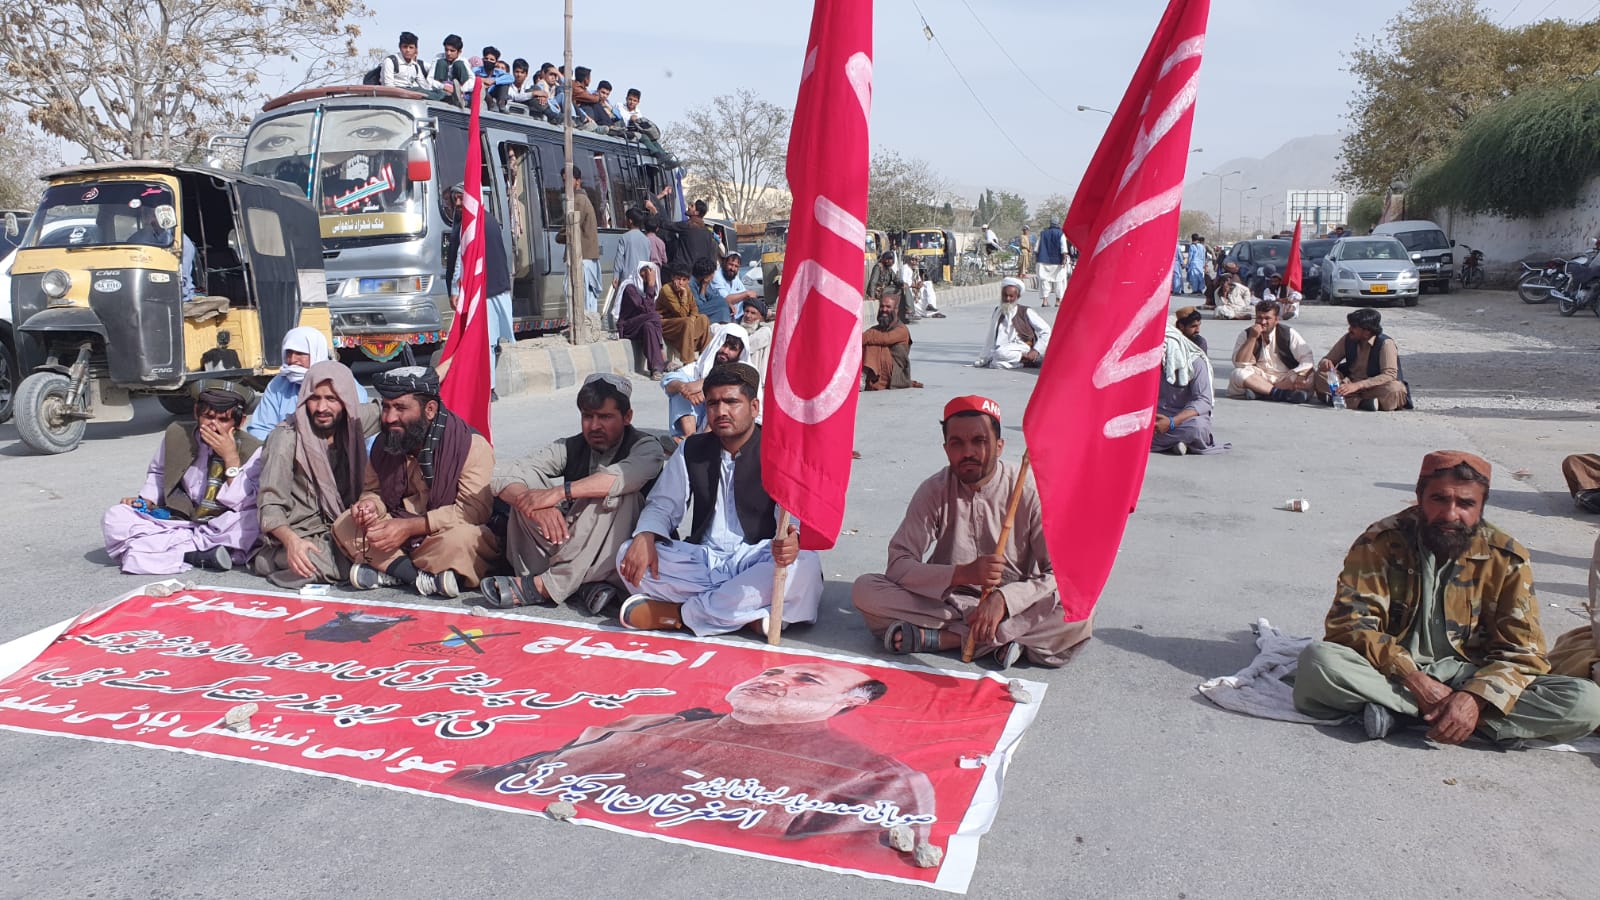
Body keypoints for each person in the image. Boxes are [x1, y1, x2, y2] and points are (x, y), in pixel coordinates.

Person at [1293, 451, 1600, 743]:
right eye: (1439, 499)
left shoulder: (1507, 558)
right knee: (1319, 662)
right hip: (1392, 673)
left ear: (1481, 506)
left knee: (1587, 704)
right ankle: (1470, 725)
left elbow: (1524, 653)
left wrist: (1475, 698)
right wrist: (1412, 678)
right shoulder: (1381, 542)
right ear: (1419, 498)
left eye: (1465, 503)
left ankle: (1401, 715)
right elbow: (1349, 625)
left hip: (1473, 675)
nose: (1450, 514)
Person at [450, 662, 935, 842]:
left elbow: (840, 861)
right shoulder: (654, 722)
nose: (774, 680)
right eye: (772, 673)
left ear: (851, 700)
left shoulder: (872, 777)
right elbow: (517, 772)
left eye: (806, 679)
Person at [852, 395, 1092, 668]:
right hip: (948, 602)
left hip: (1015, 606)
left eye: (979, 442)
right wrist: (963, 573)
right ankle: (1001, 643)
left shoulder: (1027, 490)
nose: (968, 452)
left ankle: (944, 639)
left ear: (999, 446)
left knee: (1080, 610)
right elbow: (898, 565)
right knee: (865, 589)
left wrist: (1005, 600)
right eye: (957, 444)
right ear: (946, 449)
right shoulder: (934, 490)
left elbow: (1060, 573)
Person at [616, 363, 825, 636]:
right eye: (713, 403)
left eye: (731, 402)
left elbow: (789, 515)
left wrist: (791, 538)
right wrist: (646, 535)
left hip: (756, 557)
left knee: (804, 565)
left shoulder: (779, 450)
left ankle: (679, 614)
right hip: (703, 561)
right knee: (627, 555)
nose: (721, 411)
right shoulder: (692, 448)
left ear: (754, 407)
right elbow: (664, 504)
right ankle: (746, 612)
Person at [486, 374, 668, 615]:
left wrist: (558, 493)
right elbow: (502, 474)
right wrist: (535, 504)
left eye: (605, 417)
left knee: (618, 495)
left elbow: (623, 477)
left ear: (627, 417)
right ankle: (582, 584)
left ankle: (546, 586)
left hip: (620, 549)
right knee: (526, 490)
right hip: (574, 543)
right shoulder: (571, 446)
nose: (594, 426)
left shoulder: (646, 446)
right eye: (587, 416)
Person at [332, 367, 499, 597]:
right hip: (396, 530)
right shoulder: (387, 442)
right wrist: (370, 507)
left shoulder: (471, 446)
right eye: (387, 407)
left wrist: (411, 527)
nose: (389, 418)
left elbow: (472, 512)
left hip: (440, 534)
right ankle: (418, 577)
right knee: (346, 523)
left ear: (429, 410)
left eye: (400, 408)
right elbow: (373, 491)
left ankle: (390, 569)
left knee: (464, 540)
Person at [102, 380, 264, 574]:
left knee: (253, 521)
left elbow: (244, 503)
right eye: (208, 417)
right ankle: (196, 554)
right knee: (115, 516)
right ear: (196, 412)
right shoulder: (177, 434)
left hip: (220, 524)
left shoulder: (253, 449)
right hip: (179, 520)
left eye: (223, 420)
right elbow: (159, 473)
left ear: (240, 422)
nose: (213, 426)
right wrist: (146, 500)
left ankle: (169, 551)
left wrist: (230, 458)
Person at [250, 361, 378, 588]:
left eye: (331, 399)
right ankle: (377, 571)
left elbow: (398, 408)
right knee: (319, 558)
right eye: (314, 398)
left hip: (345, 528)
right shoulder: (285, 439)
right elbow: (270, 504)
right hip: (302, 536)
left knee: (392, 536)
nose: (321, 408)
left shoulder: (353, 422)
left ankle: (368, 566)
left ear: (346, 401)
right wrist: (291, 542)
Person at [444, 182, 513, 393]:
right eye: (454, 198)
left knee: (485, 341)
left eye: (460, 198)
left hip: (483, 291)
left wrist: (455, 291)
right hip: (494, 288)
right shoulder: (487, 219)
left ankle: (488, 388)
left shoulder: (470, 223)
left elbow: (460, 260)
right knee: (488, 339)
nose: (457, 203)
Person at [247, 326, 371, 439]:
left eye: (300, 354)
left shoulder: (344, 382)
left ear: (316, 352)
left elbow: (361, 430)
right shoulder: (279, 384)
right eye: (289, 353)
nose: (293, 359)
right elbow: (260, 429)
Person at [661, 323, 749, 438]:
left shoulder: (745, 372)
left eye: (732, 349)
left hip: (726, 429)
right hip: (698, 425)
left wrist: (703, 384)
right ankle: (690, 439)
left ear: (739, 353)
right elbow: (668, 382)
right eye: (723, 345)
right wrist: (684, 388)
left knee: (721, 398)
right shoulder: (701, 367)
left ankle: (699, 445)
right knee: (680, 387)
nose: (725, 351)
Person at [1314, 307, 1410, 411]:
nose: (1349, 329)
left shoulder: (1385, 344)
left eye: (1354, 327)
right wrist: (1326, 363)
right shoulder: (1348, 338)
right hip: (1348, 385)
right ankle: (1364, 403)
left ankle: (1347, 401)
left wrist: (1358, 385)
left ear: (1367, 331)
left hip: (1373, 387)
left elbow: (1389, 374)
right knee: (1321, 374)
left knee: (1395, 389)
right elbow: (1328, 359)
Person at [1153, 320, 1224, 455]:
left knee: (1197, 428)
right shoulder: (1150, 361)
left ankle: (1170, 442)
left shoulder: (1196, 362)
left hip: (1184, 420)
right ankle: (1177, 443)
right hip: (1156, 417)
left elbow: (1203, 400)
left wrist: (1172, 422)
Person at [1226, 300, 1315, 402]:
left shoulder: (1288, 333)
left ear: (1276, 320)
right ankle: (1278, 393)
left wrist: (1300, 375)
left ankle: (1261, 392)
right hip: (1259, 377)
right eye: (1259, 318)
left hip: (1285, 378)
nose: (1263, 322)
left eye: (1267, 318)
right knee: (1237, 374)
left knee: (1310, 376)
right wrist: (1252, 338)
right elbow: (1240, 364)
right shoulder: (1246, 334)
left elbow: (1307, 358)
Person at [975, 277, 1050, 369]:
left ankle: (1026, 357)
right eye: (1005, 295)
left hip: (1023, 346)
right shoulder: (998, 312)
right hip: (1004, 348)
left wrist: (1036, 350)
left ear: (1017, 297)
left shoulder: (1025, 311)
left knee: (999, 353)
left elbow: (1046, 330)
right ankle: (1024, 363)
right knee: (995, 363)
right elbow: (990, 337)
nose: (1007, 299)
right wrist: (985, 355)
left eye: (1011, 296)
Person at [554, 167, 601, 313]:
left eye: (568, 180)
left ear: (578, 181)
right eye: (564, 181)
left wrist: (559, 236)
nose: (565, 184)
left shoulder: (579, 201)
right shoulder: (581, 199)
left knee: (579, 301)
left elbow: (570, 229)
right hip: (584, 258)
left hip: (582, 257)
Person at [862, 291, 921, 391]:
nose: (884, 310)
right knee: (870, 341)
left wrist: (861, 338)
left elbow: (884, 339)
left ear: (896, 310)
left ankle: (863, 376)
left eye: (888, 307)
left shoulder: (902, 330)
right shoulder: (876, 329)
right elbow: (865, 338)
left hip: (895, 374)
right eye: (882, 306)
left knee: (874, 344)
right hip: (879, 371)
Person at [617, 260, 666, 379]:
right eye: (644, 272)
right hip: (627, 326)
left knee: (649, 326)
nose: (647, 275)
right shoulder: (630, 287)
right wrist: (650, 286)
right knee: (654, 316)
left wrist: (649, 287)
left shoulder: (646, 286)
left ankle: (656, 369)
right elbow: (646, 309)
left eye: (649, 272)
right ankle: (662, 353)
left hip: (642, 325)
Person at [656, 263, 709, 367]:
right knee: (687, 321)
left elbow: (694, 309)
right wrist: (684, 296)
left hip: (682, 323)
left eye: (684, 280)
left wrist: (693, 320)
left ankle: (705, 356)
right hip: (665, 323)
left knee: (703, 319)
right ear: (672, 278)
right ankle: (688, 361)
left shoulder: (687, 289)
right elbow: (681, 313)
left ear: (688, 280)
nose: (680, 282)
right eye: (678, 279)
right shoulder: (667, 290)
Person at [652, 198, 721, 275]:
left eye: (692, 206)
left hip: (682, 272)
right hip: (697, 274)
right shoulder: (707, 233)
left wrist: (654, 211)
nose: (689, 207)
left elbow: (665, 224)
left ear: (696, 212)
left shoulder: (687, 226)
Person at [380, 32, 453, 102]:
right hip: (397, 92)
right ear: (400, 47)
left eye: (411, 47)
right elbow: (388, 86)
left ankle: (449, 96)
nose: (407, 50)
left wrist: (439, 89)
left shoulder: (415, 66)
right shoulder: (391, 61)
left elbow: (425, 86)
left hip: (411, 91)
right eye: (405, 47)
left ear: (416, 50)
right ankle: (447, 98)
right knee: (418, 90)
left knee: (431, 91)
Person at [708, 251, 759, 323]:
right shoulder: (717, 276)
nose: (733, 268)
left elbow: (747, 295)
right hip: (723, 319)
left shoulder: (734, 277)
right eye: (731, 264)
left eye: (736, 266)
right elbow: (726, 300)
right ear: (724, 263)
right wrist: (746, 294)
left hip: (739, 317)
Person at [433, 35, 473, 108]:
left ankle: (460, 99)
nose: (448, 53)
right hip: (443, 89)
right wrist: (443, 86)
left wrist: (459, 90)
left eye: (452, 51)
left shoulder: (463, 61)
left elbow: (471, 81)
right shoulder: (438, 58)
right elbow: (430, 80)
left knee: (459, 64)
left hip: (459, 90)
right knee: (442, 63)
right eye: (446, 50)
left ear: (459, 52)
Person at [1035, 217, 1067, 308]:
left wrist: (1037, 260)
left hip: (1043, 261)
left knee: (1044, 281)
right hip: (1058, 262)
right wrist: (1064, 260)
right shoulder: (1061, 234)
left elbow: (1036, 249)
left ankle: (1045, 301)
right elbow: (1064, 249)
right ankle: (1058, 301)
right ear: (1058, 224)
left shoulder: (1043, 234)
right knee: (1059, 281)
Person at [739, 297, 773, 380]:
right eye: (746, 311)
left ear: (760, 317)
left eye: (753, 313)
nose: (748, 316)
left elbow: (745, 346)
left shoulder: (764, 332)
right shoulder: (738, 329)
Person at [689, 257, 724, 324]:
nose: (713, 276)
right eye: (712, 274)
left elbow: (714, 296)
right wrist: (704, 287)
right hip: (696, 314)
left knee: (721, 302)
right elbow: (699, 306)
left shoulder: (703, 281)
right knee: (721, 304)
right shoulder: (691, 284)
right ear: (705, 275)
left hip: (705, 309)